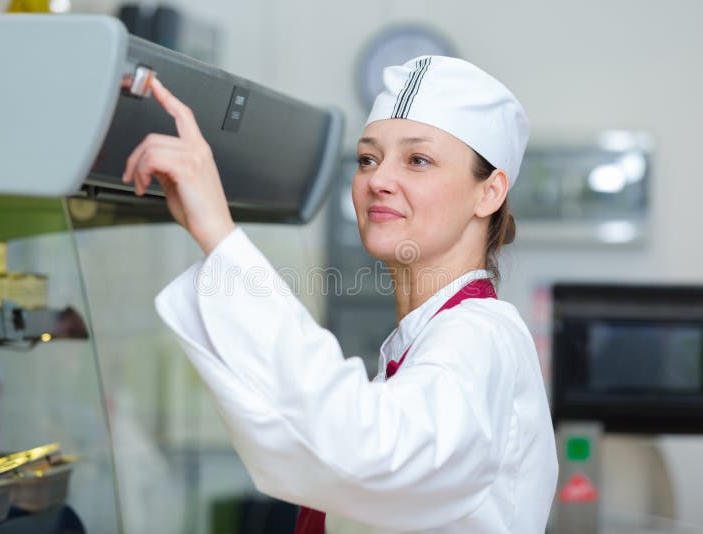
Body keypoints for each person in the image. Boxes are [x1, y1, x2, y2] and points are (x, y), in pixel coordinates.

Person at [124, 55, 558, 533]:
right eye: (368, 159)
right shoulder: (424, 342)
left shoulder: (480, 337)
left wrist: (218, 233)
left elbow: (364, 450)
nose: (378, 180)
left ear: (489, 193)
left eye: (418, 160)